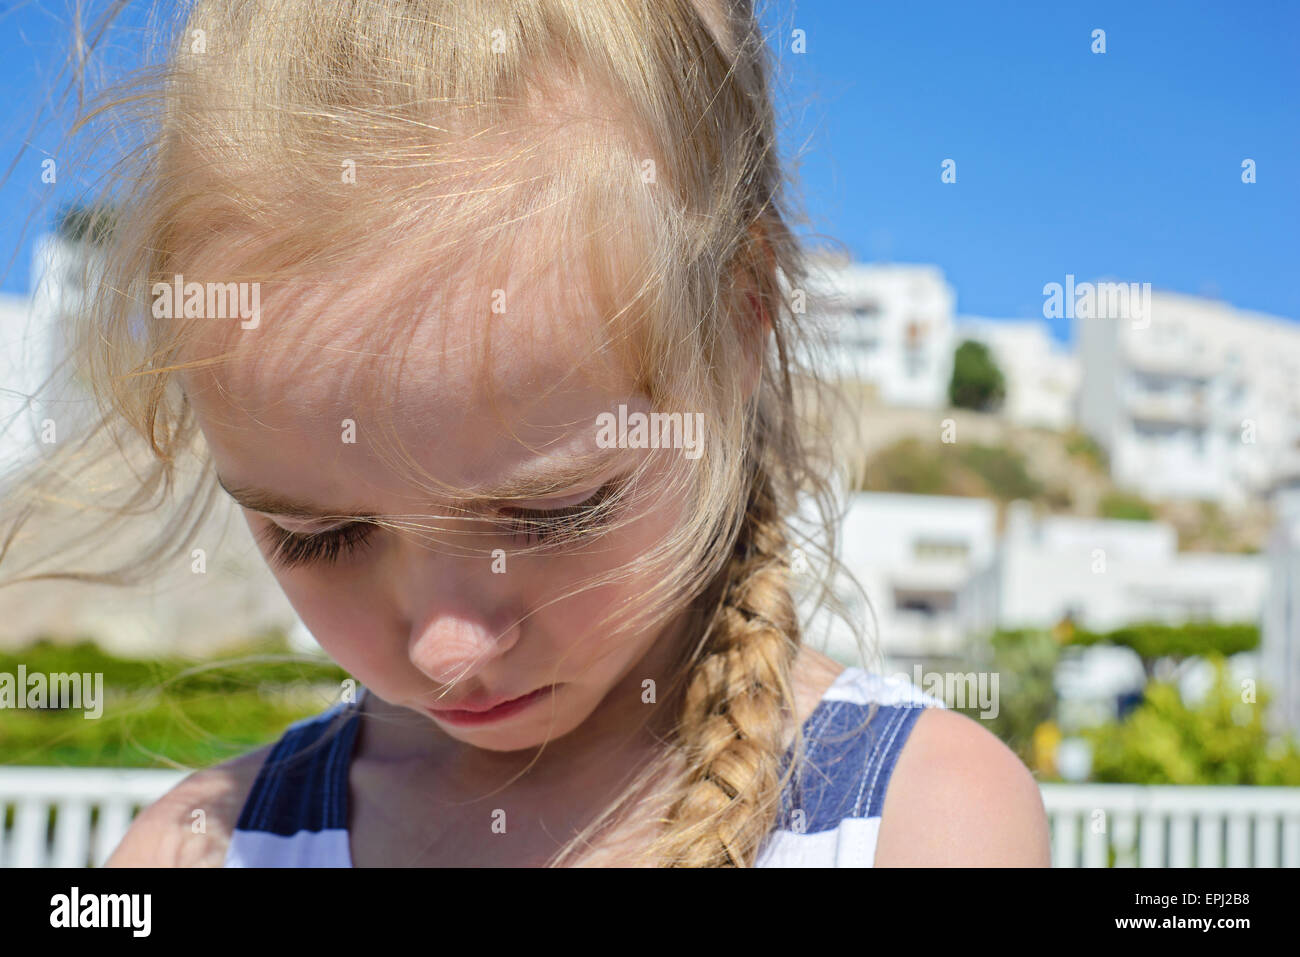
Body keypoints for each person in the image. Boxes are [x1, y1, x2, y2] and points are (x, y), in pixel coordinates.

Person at [20, 0, 1049, 866]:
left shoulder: (918, 822)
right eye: (319, 536)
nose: (447, 650)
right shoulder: (197, 850)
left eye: (551, 512)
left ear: (740, 325)